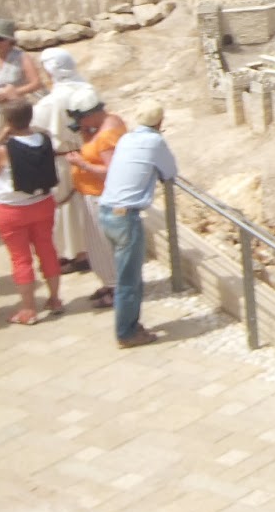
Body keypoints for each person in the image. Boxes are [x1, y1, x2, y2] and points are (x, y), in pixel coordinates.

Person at [97, 100, 177, 348]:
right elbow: (170, 172)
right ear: (160, 122)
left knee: (126, 276)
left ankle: (130, 324)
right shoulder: (154, 141)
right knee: (129, 281)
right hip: (125, 217)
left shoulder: (126, 139)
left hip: (106, 211)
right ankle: (127, 333)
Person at [0, 103, 64, 325]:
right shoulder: (44, 140)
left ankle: (28, 309)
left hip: (11, 210)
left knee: (20, 259)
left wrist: (1, 136)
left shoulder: (3, 150)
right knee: (47, 250)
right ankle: (55, 299)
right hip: (43, 204)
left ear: (8, 122)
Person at [62, 86, 126, 309]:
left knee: (105, 245)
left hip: (101, 197)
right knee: (97, 245)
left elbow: (111, 171)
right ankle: (109, 283)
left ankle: (116, 287)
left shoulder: (107, 136)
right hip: (93, 194)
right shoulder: (106, 124)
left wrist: (82, 164)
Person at [34, 49, 94, 276]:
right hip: (88, 154)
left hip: (62, 159)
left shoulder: (49, 103)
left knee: (65, 207)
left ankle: (73, 254)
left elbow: (37, 129)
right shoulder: (88, 90)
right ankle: (88, 251)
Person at [0, 18, 43, 105]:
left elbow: (36, 83)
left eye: (0, 39)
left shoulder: (21, 57)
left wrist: (14, 92)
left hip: (17, 106)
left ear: (10, 40)